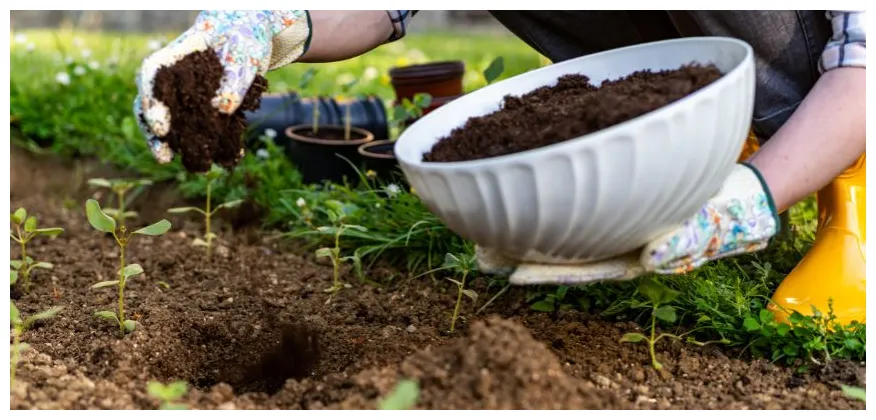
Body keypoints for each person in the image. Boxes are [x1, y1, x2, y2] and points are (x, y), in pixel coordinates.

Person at [134, 11, 865, 325]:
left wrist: (753, 199)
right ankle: (693, 132)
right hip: (689, 72)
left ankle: (844, 187)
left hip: (830, 85)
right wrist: (267, 24)